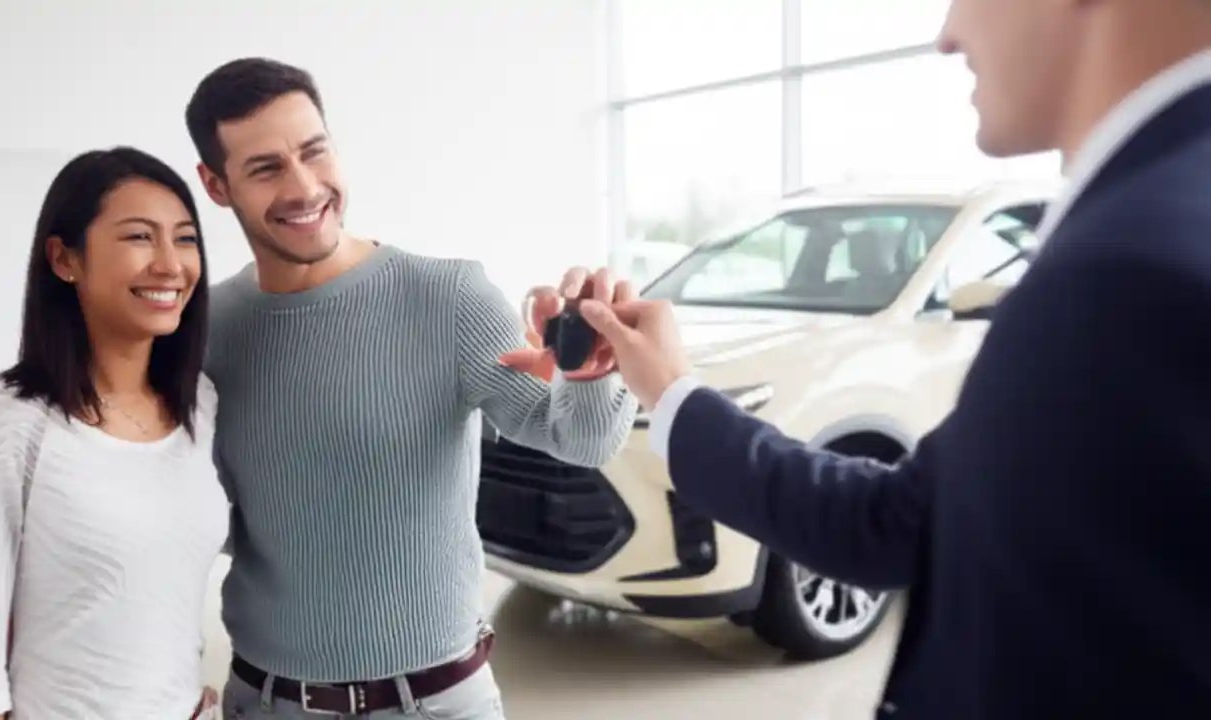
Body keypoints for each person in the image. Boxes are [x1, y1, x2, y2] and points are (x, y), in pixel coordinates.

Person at [543, 0, 1211, 717]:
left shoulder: (1132, 270)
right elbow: (894, 521)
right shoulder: (1150, 225)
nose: (946, 33)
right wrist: (668, 386)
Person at [184, 58, 637, 719]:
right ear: (216, 185)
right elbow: (213, 520)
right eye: (265, 168)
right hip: (267, 701)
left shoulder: (447, 297)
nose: (306, 186)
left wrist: (590, 370)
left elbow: (582, 441)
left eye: (315, 152)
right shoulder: (208, 331)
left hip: (434, 703)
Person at [0, 147, 226, 719]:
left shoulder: (203, 406)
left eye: (185, 238)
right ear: (65, 259)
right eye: (140, 237)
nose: (171, 264)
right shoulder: (7, 418)